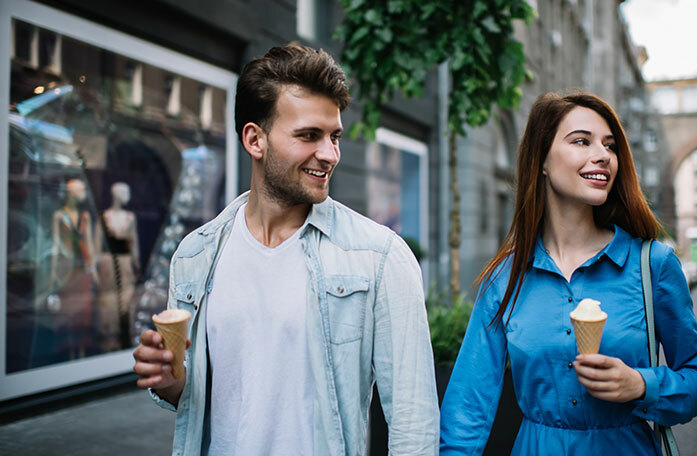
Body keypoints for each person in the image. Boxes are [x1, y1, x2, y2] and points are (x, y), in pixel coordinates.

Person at [132, 44, 439, 455]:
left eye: (334, 136)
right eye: (309, 136)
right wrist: (172, 383)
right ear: (254, 139)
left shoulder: (379, 257)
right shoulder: (195, 255)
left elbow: (413, 422)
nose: (329, 154)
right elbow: (204, 400)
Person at [439, 92, 697, 455]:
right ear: (542, 160)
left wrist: (641, 384)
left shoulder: (653, 264)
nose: (602, 155)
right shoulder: (505, 278)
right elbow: (467, 407)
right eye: (581, 141)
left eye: (610, 145)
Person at [49, 178, 97, 360]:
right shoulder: (59, 216)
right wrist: (53, 272)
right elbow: (55, 244)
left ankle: (81, 352)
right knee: (68, 312)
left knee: (83, 313)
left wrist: (94, 269)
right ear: (71, 193)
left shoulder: (85, 217)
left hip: (83, 269)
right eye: (80, 189)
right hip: (66, 270)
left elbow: (90, 244)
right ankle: (69, 353)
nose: (83, 192)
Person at [95, 182, 140, 352]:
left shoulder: (129, 217)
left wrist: (136, 264)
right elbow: (97, 243)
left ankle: (123, 335)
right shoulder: (105, 217)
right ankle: (108, 336)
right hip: (108, 263)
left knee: (126, 299)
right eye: (124, 192)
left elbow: (133, 241)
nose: (127, 195)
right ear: (116, 194)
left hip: (125, 262)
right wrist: (94, 266)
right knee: (108, 300)